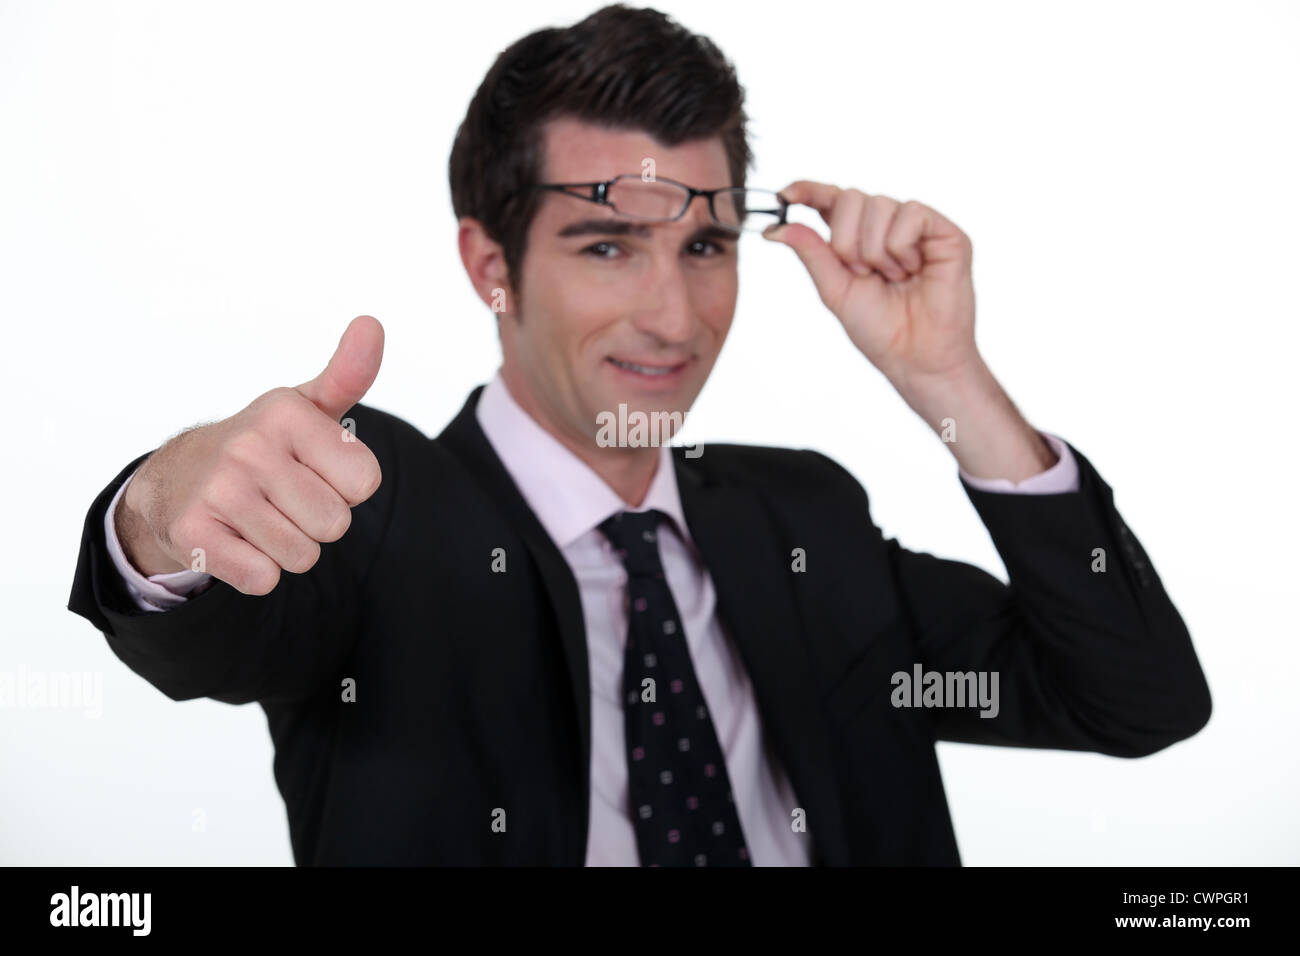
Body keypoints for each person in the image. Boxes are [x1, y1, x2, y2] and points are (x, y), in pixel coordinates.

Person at [67, 4, 1211, 866]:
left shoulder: (804, 518)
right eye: (607, 245)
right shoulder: (375, 509)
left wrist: (945, 376)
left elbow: (1133, 696)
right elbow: (202, 637)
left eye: (704, 247)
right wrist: (165, 512)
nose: (672, 314)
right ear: (490, 266)